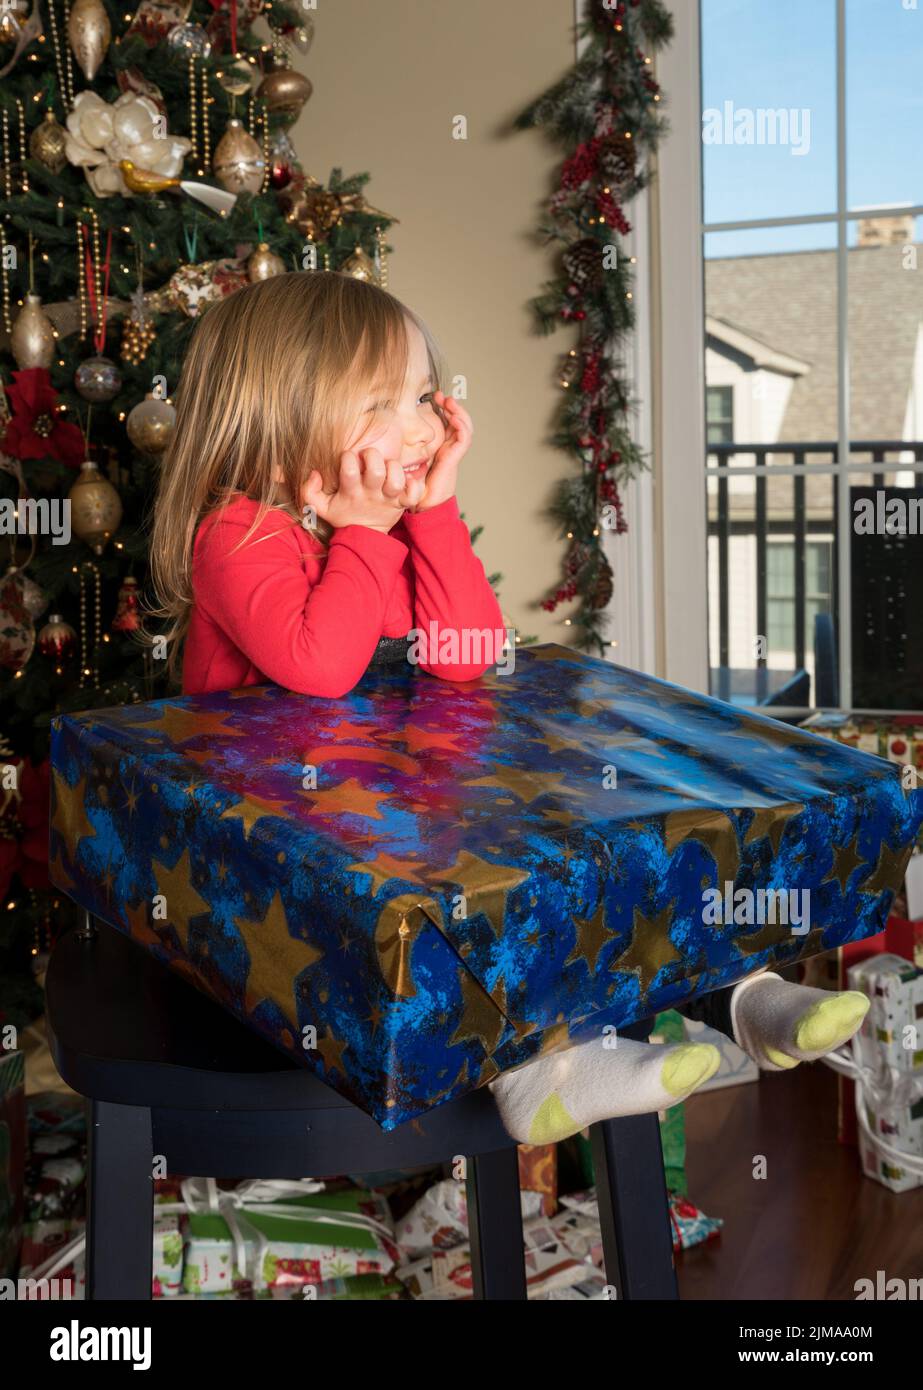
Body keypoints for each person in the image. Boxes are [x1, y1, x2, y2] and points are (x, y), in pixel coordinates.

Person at [148, 271, 870, 1146]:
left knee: (595, 835)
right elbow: (321, 667)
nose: (421, 423)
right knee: (479, 898)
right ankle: (541, 1072)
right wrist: (368, 532)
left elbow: (467, 655)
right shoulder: (240, 532)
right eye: (385, 403)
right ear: (283, 411)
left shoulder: (378, 519)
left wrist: (435, 509)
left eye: (423, 393)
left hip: (372, 805)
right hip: (284, 851)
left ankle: (745, 995)